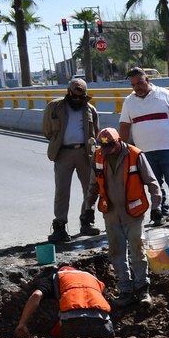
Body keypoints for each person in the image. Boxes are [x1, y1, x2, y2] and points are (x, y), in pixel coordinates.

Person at [86, 127, 161, 307]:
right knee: (116, 254)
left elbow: (152, 183)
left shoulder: (135, 155)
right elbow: (93, 184)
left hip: (133, 214)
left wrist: (156, 207)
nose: (107, 152)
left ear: (119, 141)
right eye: (104, 148)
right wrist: (88, 208)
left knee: (138, 252)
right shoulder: (99, 155)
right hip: (111, 215)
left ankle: (142, 289)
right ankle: (126, 290)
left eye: (111, 147)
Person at [119, 67, 169, 228]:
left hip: (168, 148)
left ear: (147, 80)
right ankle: (161, 213)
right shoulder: (129, 101)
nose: (137, 87)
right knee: (154, 185)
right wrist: (122, 149)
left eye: (139, 83)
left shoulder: (164, 94)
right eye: (133, 85)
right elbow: (124, 125)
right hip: (144, 153)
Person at [42, 78, 102, 244]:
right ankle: (60, 226)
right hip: (63, 153)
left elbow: (95, 131)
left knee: (90, 188)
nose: (77, 99)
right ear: (68, 92)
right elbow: (47, 130)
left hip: (85, 153)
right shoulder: (54, 107)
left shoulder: (90, 109)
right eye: (74, 96)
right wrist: (59, 144)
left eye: (80, 97)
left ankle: (86, 221)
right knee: (62, 190)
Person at [15, 265, 114, 338]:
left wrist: (22, 323)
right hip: (102, 320)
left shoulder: (57, 277)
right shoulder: (92, 277)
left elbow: (37, 295)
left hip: (72, 321)